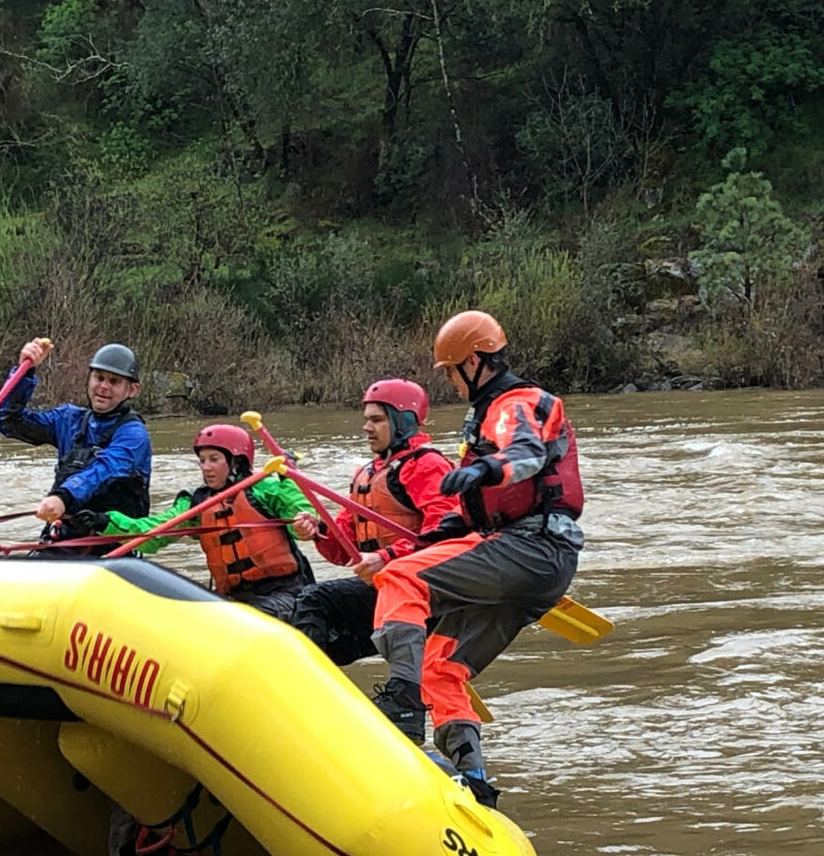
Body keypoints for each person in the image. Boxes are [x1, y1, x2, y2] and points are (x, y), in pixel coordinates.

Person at [368, 310, 584, 809]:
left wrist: (485, 468)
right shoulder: (488, 412)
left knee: (401, 579)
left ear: (475, 362)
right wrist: (451, 524)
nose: (447, 379)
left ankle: (403, 707)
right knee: (441, 668)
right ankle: (474, 780)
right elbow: (495, 500)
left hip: (530, 549)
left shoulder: (515, 403)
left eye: (450, 370)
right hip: (537, 564)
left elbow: (524, 454)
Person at [290, 380, 458, 666]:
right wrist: (318, 532)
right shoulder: (367, 474)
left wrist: (386, 557)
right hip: (387, 589)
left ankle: (304, 686)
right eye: (366, 419)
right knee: (330, 640)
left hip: (427, 593)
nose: (367, 428)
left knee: (315, 599)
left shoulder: (427, 466)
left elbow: (446, 535)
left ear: (403, 421)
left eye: (377, 420)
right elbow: (343, 550)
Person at [98, 424, 321, 619]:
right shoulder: (196, 503)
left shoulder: (267, 487)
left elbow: (302, 512)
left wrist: (304, 524)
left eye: (214, 459)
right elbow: (152, 535)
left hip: (286, 594)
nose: (206, 467)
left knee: (248, 618)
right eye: (202, 460)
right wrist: (104, 522)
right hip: (233, 599)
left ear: (236, 463)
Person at [0, 338, 152, 550]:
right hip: (64, 538)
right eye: (99, 378)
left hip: (113, 546)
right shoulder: (68, 419)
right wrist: (24, 374)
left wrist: (62, 497)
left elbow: (103, 470)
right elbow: (10, 422)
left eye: (114, 382)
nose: (103, 386)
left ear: (132, 390)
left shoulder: (134, 434)